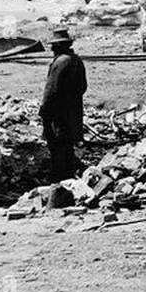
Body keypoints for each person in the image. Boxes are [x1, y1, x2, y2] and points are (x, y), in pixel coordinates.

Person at [40, 26, 87, 180]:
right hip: (73, 112)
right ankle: (68, 175)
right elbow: (83, 87)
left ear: (59, 46)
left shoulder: (60, 62)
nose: (52, 48)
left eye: (54, 45)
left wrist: (44, 110)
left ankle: (59, 179)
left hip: (58, 113)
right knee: (67, 146)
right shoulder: (76, 60)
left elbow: (51, 89)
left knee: (57, 146)